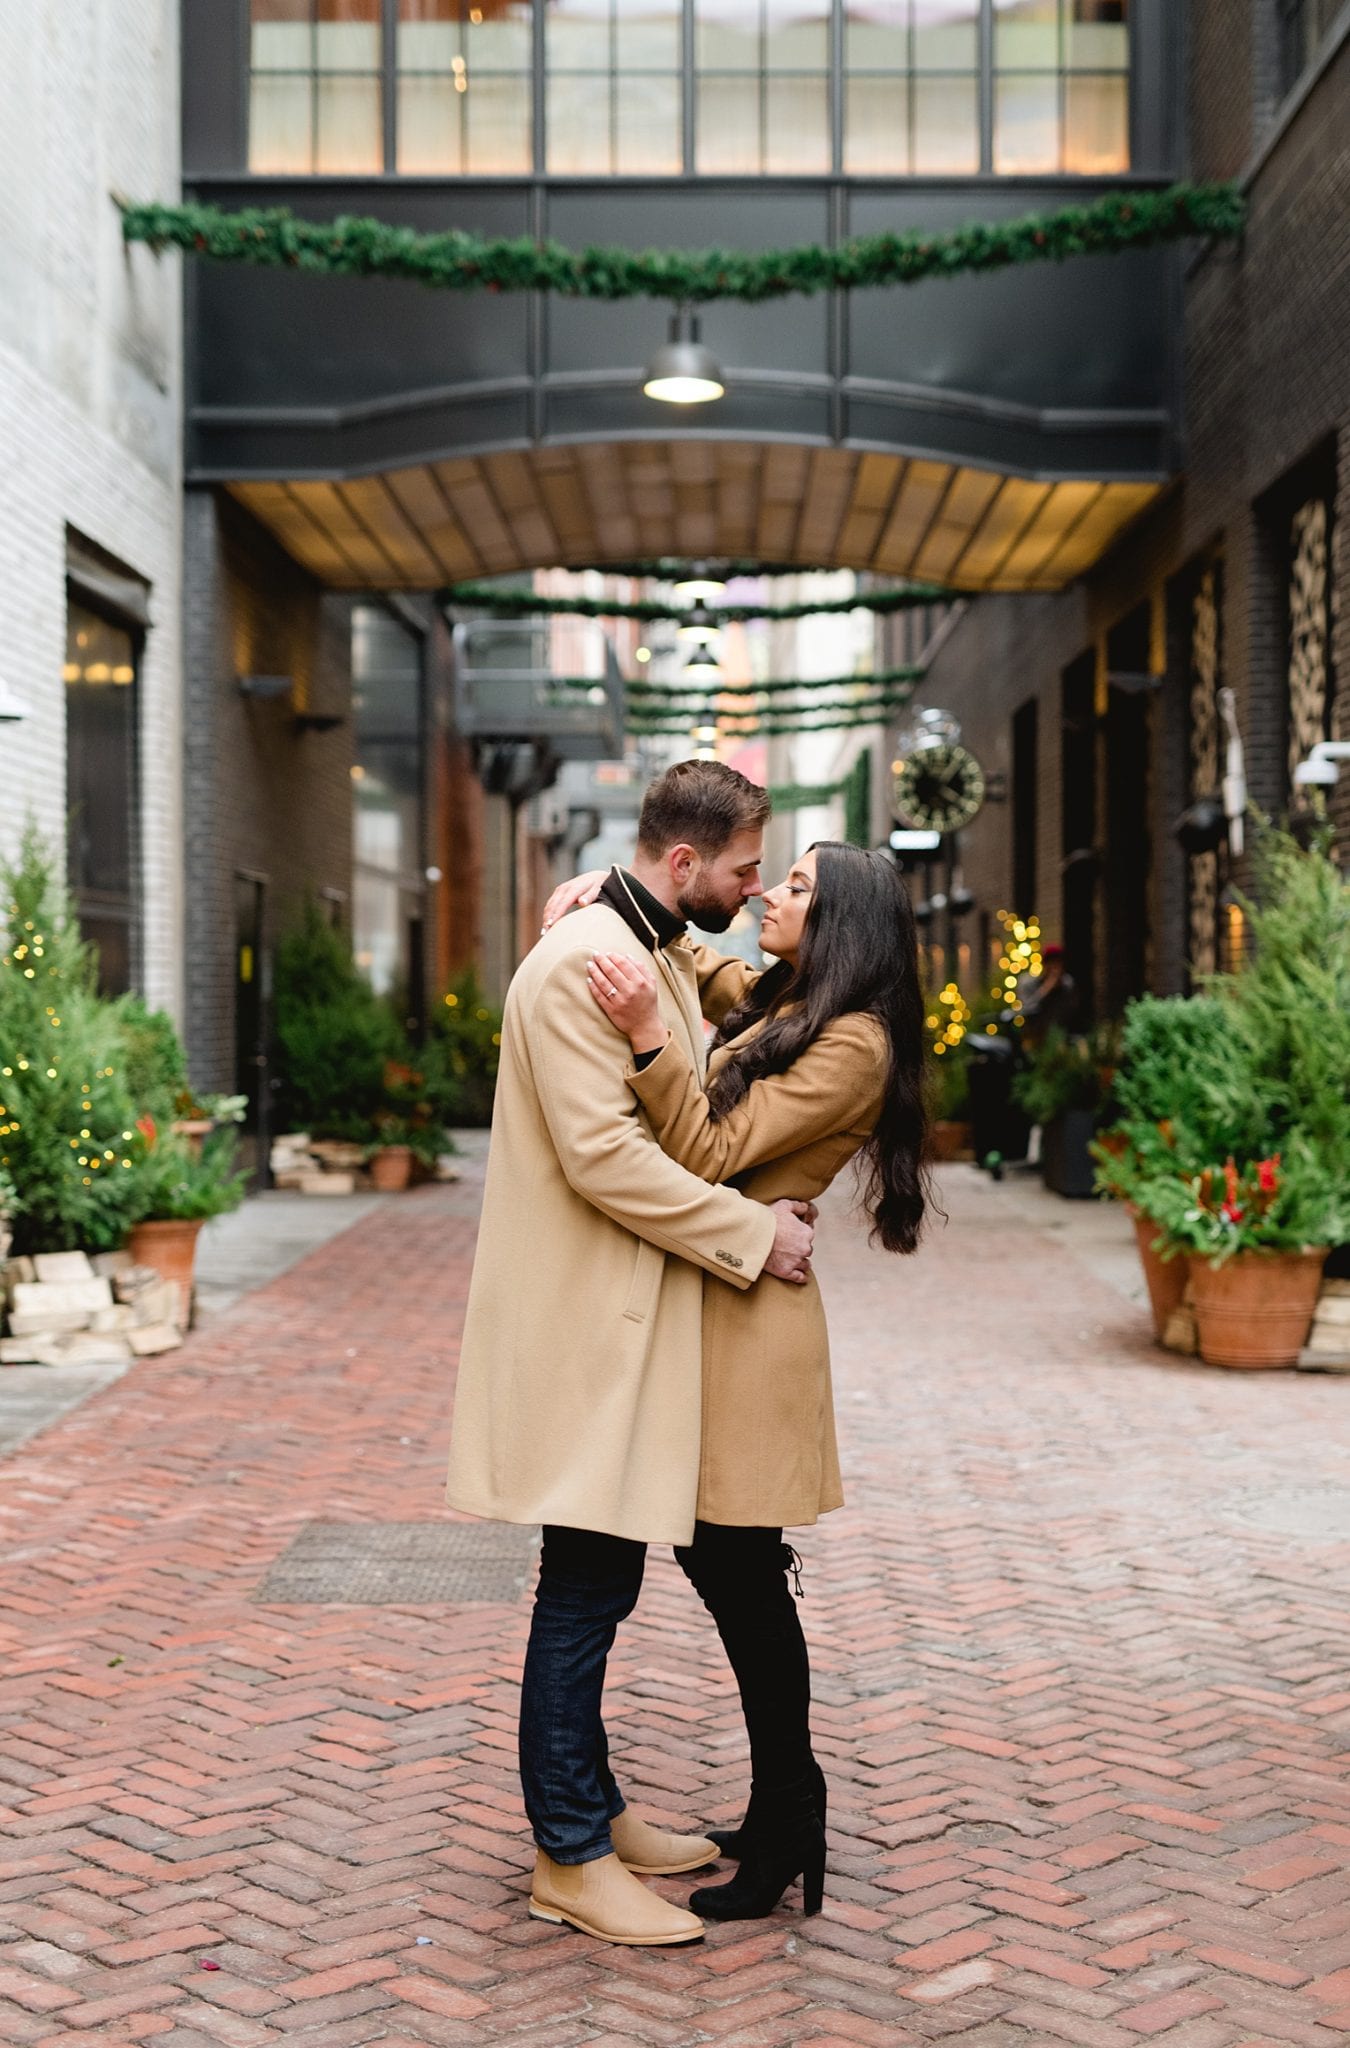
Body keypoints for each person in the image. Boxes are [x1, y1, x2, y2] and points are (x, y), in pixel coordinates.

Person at [445, 760, 818, 1949]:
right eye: (747, 871)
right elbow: (606, 1158)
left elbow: (725, 994)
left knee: (597, 1580)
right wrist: (752, 1234)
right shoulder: (578, 966)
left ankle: (594, 1811)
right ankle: (569, 1852)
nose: (754, 890)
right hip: (579, 1331)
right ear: (682, 865)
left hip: (616, 1325)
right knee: (582, 1592)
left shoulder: (641, 939)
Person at [551, 838, 931, 1923]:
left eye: (796, 886)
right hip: (718, 1304)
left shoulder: (854, 1041)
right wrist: (611, 893)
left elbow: (710, 1147)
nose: (767, 891)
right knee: (731, 1567)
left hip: (753, 1332)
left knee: (742, 1573)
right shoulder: (795, 997)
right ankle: (782, 1808)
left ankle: (790, 1815)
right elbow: (712, 969)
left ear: (840, 923)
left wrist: (642, 1035)